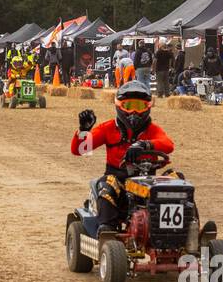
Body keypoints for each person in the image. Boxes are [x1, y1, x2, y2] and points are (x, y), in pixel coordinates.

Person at [69, 80, 174, 233]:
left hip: (147, 185)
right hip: (118, 185)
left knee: (176, 177)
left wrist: (145, 145)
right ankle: (107, 231)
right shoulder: (108, 128)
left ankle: (189, 226)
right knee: (107, 183)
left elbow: (168, 144)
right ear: (119, 106)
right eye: (128, 106)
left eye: (139, 107)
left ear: (147, 108)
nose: (134, 113)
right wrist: (83, 130)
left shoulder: (152, 130)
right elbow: (79, 150)